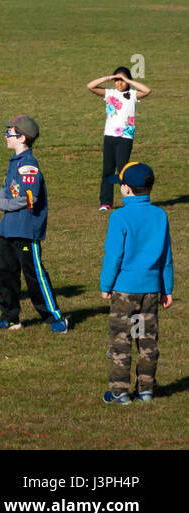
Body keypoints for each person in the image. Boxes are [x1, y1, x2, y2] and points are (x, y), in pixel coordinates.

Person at [0, 115, 67, 333]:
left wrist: (1, 204)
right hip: (9, 228)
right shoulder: (15, 162)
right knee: (6, 274)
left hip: (25, 230)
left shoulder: (28, 165)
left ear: (22, 138)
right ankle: (10, 317)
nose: (6, 136)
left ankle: (55, 318)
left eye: (9, 132)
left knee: (34, 276)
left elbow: (28, 199)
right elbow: (8, 187)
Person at [99, 162, 173, 404]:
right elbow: (166, 256)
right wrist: (167, 288)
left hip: (124, 290)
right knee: (146, 339)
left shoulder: (119, 216)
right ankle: (146, 389)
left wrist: (105, 285)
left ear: (126, 188)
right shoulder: (160, 215)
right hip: (151, 290)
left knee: (121, 340)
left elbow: (114, 255)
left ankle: (120, 391)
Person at [86, 67, 151, 210]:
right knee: (107, 170)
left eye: (122, 81)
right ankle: (105, 203)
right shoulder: (109, 93)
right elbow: (90, 86)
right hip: (109, 136)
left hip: (126, 137)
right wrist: (109, 77)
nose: (119, 83)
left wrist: (128, 80)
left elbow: (147, 90)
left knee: (123, 170)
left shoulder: (133, 94)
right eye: (117, 80)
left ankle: (129, 200)